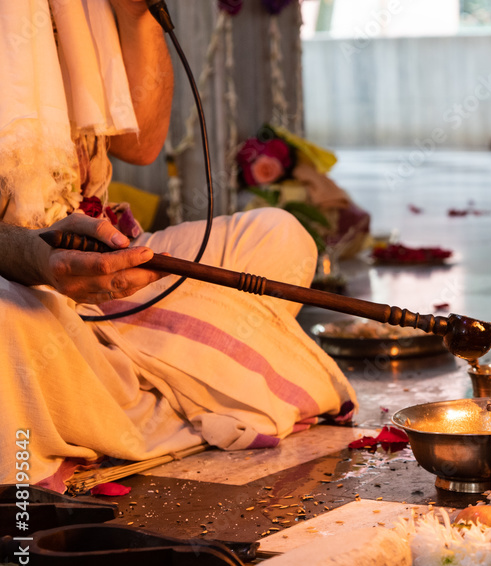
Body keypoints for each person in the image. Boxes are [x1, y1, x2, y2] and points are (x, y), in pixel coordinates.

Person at [0, 1, 356, 487]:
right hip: (20, 278)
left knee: (279, 238)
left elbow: (141, 142)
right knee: (7, 319)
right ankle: (167, 391)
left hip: (104, 253)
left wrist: (135, 15)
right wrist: (37, 257)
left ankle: (111, 394)